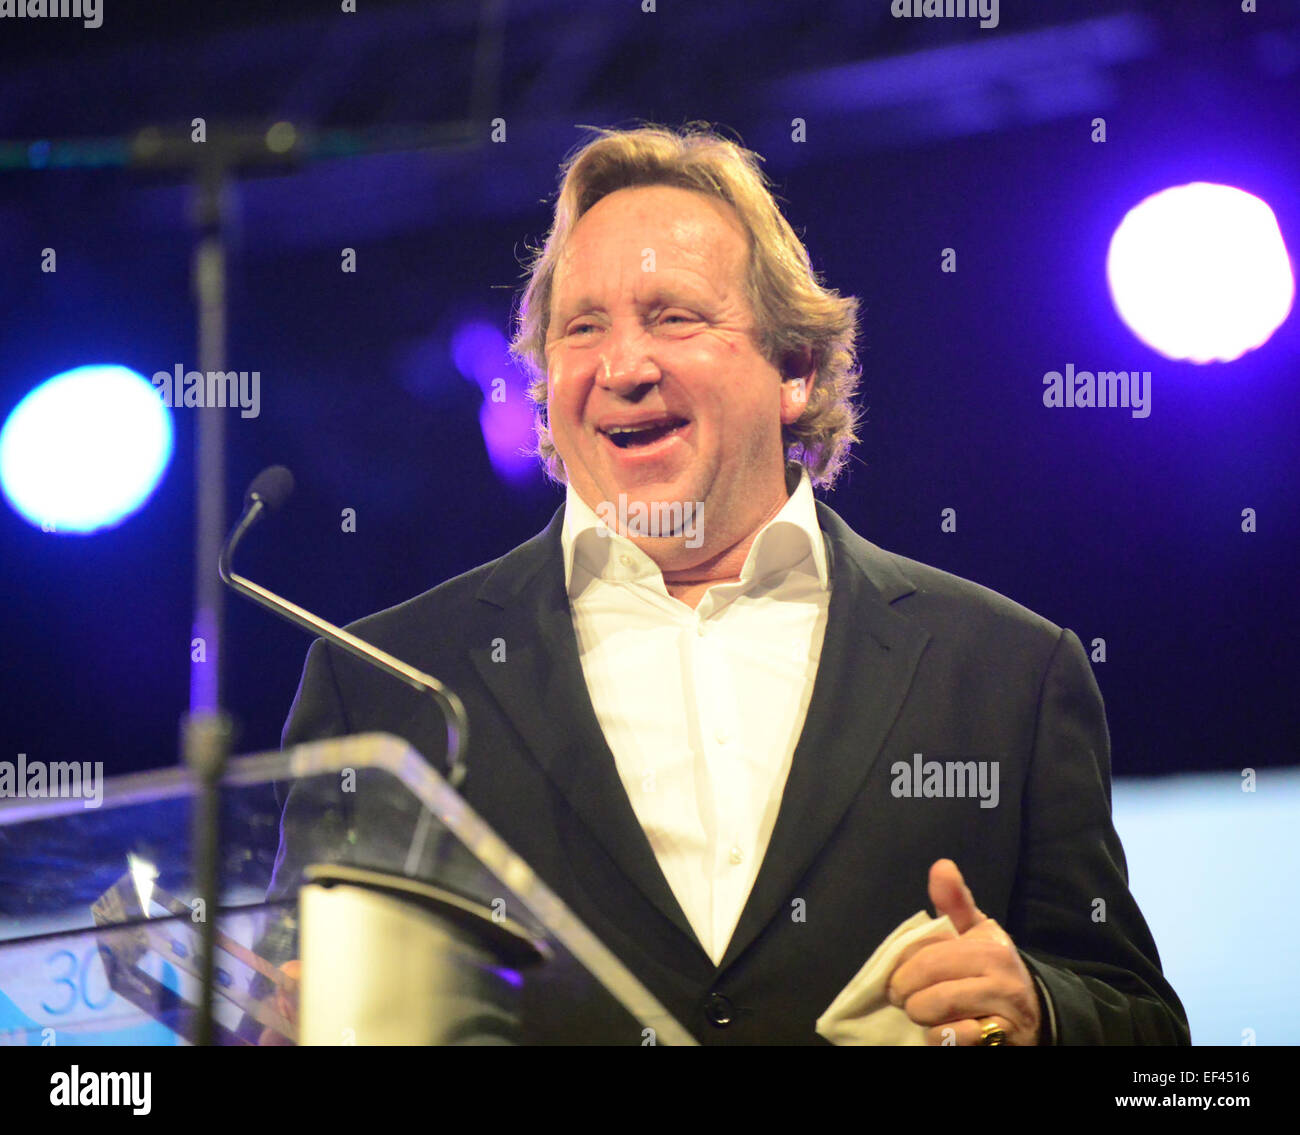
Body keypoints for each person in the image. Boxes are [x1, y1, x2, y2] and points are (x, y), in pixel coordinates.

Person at [269, 124, 1189, 1045]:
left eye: (673, 317)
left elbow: (1156, 1047)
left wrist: (1043, 1012)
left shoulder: (1005, 671)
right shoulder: (380, 683)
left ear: (794, 367)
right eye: (582, 328)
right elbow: (286, 1000)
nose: (623, 368)